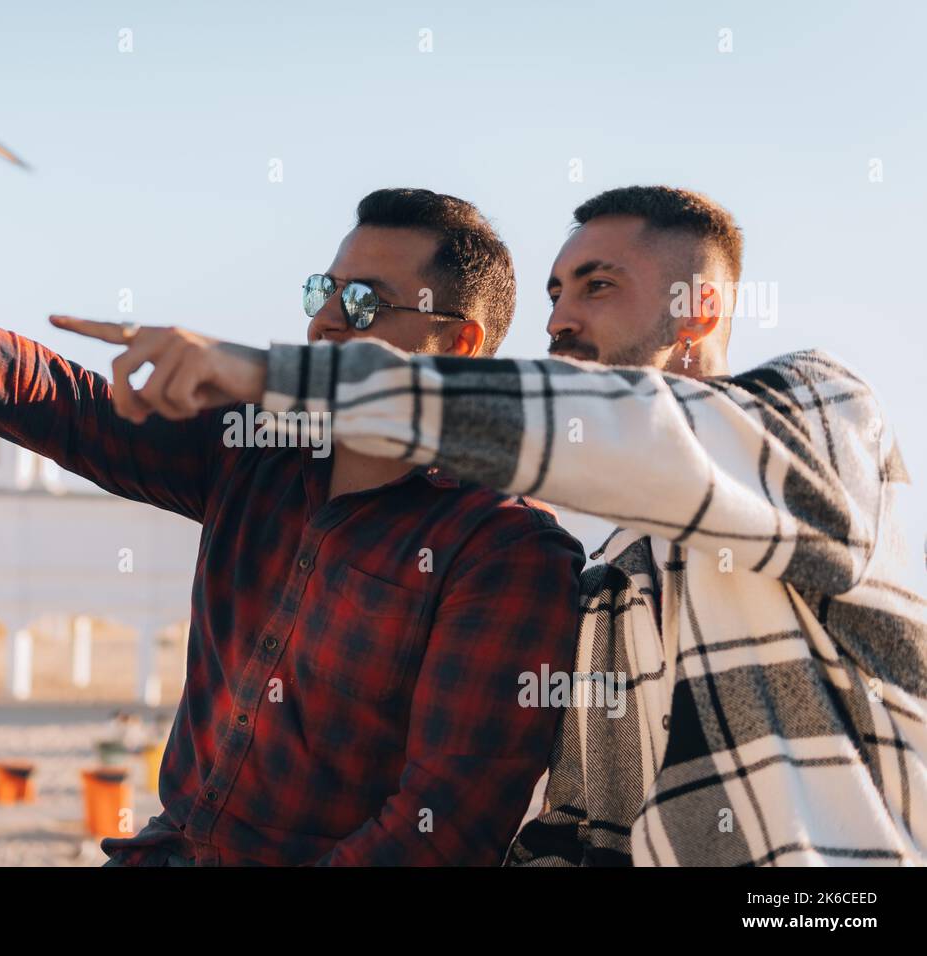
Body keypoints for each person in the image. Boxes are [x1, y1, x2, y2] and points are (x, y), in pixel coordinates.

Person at [0, 187, 584, 866]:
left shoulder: (503, 550)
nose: (320, 320)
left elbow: (443, 825)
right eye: (324, 288)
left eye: (362, 303)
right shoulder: (256, 457)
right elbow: (55, 400)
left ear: (458, 343)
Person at [53, 185, 927, 866]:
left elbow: (643, 430)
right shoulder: (614, 580)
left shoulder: (822, 417)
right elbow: (586, 824)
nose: (558, 320)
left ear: (697, 309)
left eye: (598, 285)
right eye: (554, 292)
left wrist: (274, 375)